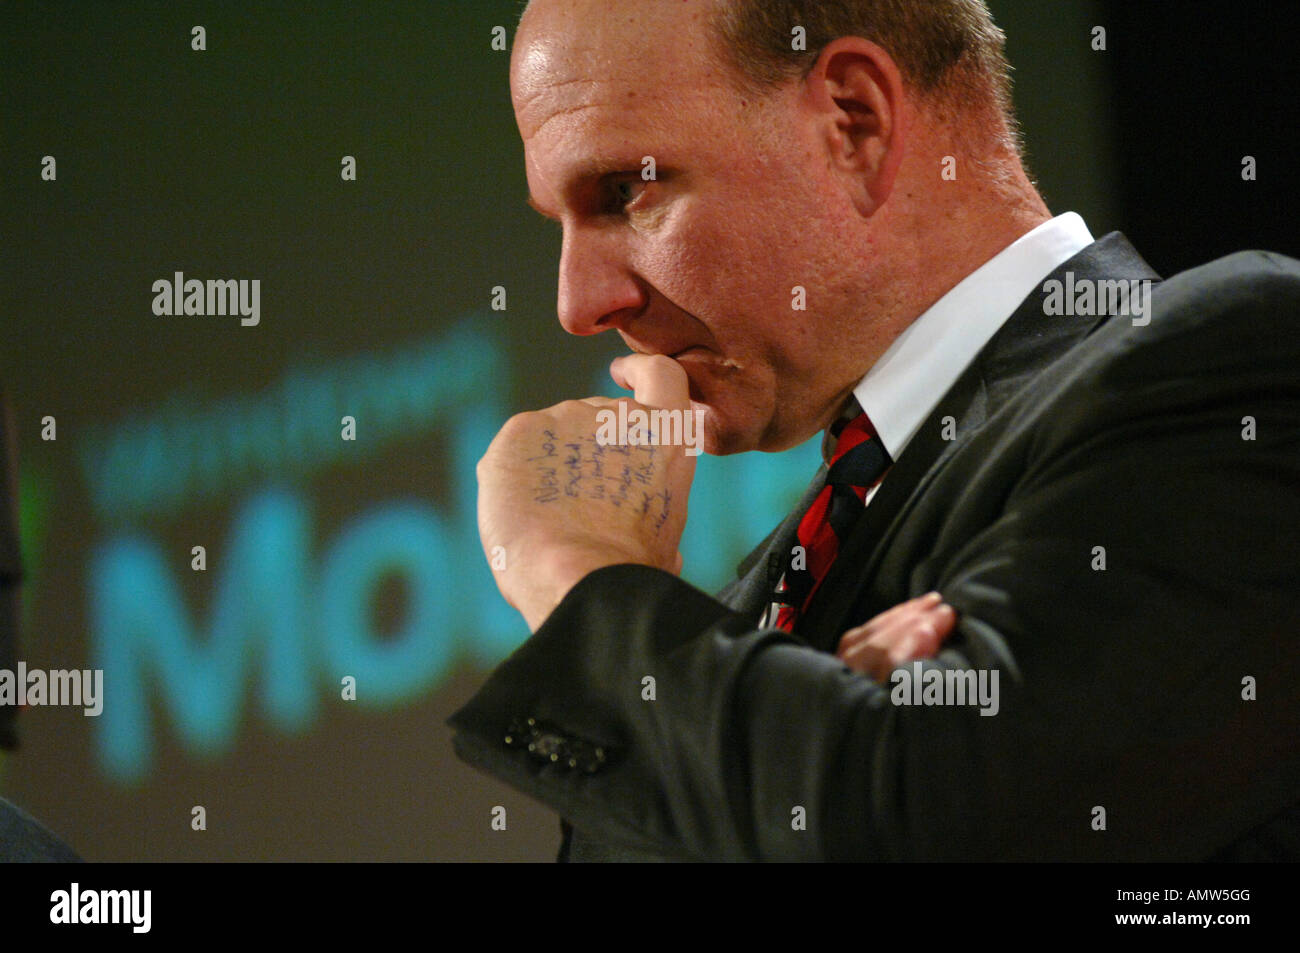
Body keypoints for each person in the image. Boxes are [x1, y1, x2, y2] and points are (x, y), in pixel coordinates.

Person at [449, 0, 1300, 861]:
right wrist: (823, 736)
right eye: (560, 223)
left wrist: (579, 575)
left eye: (625, 192)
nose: (578, 305)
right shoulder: (759, 612)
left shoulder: (1236, 365)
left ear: (854, 122)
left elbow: (949, 827)